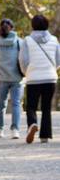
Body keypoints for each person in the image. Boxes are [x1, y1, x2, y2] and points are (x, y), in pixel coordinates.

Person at [19, 14, 60, 143]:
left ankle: (32, 124)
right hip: (50, 79)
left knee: (31, 106)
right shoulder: (54, 40)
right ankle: (45, 136)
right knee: (46, 107)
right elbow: (58, 60)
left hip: (33, 78)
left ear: (33, 25)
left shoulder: (27, 40)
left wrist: (27, 72)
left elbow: (23, 60)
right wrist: (52, 70)